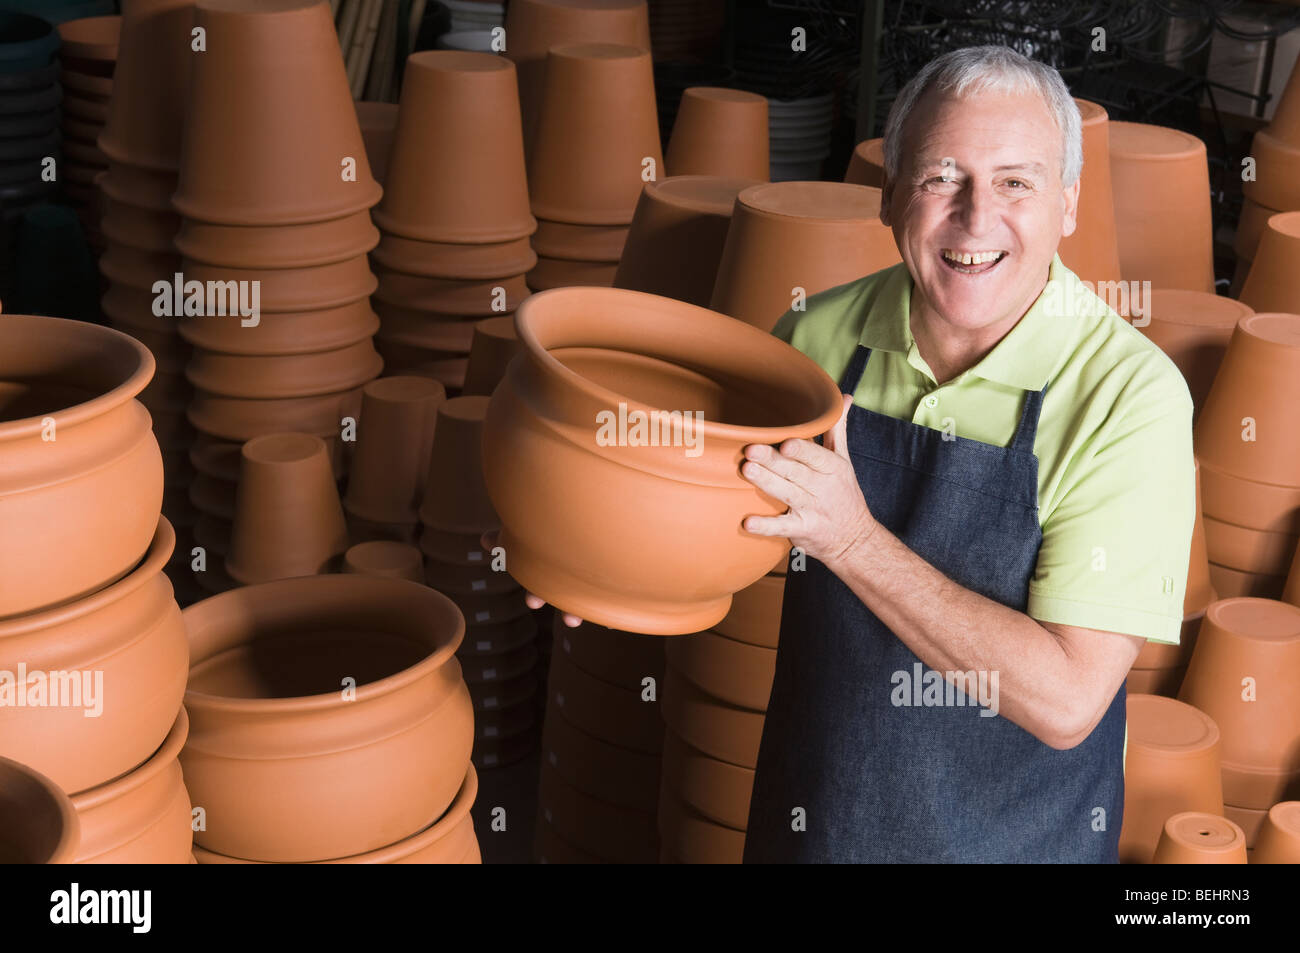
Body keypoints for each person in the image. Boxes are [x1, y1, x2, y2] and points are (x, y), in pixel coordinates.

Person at [736, 45, 1195, 862]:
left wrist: (852, 539)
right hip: (817, 825)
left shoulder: (1129, 398)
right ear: (888, 195)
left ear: (1068, 205)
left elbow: (1066, 698)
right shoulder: (814, 338)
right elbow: (722, 511)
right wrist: (606, 563)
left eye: (1016, 181)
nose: (976, 217)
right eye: (941, 176)